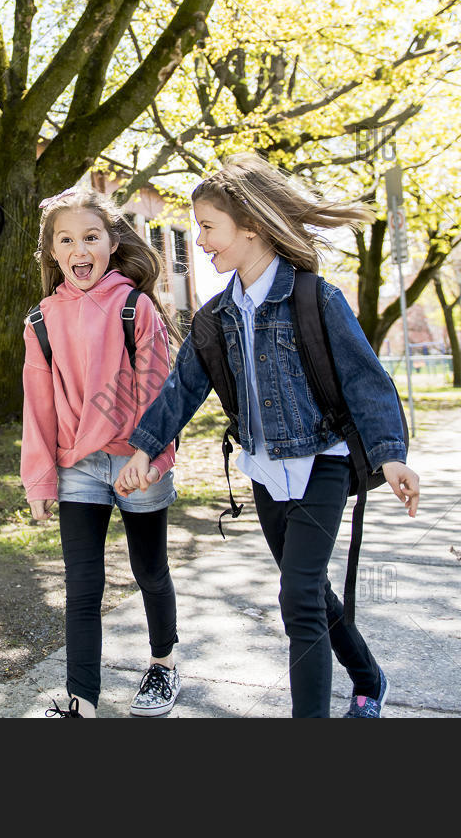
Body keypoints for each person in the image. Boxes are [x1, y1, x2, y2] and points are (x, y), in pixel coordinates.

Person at [118, 153, 421, 718]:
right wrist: (143, 448)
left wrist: (392, 456)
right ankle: (369, 677)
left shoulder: (315, 297)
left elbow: (365, 380)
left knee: (297, 599)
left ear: (251, 227)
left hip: (322, 463)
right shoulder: (216, 317)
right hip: (263, 470)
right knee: (309, 592)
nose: (199, 240)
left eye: (208, 227)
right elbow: (182, 389)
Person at [21, 185, 182, 718]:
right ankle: (81, 702)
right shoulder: (41, 321)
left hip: (138, 463)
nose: (79, 249)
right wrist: (39, 480)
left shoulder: (135, 307)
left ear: (111, 243)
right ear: (52, 251)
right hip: (78, 468)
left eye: (90, 237)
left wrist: (149, 457)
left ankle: (162, 666)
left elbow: (159, 390)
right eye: (66, 240)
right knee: (82, 586)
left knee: (149, 570)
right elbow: (37, 407)